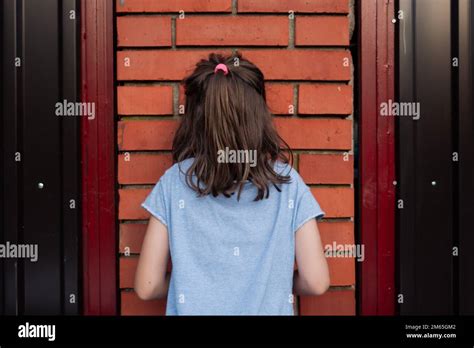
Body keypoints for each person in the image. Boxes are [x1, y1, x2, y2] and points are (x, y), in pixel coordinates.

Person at [134, 53, 330, 315]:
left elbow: (148, 286)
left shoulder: (175, 182)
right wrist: (277, 283)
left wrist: (192, 286)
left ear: (196, 120)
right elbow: (316, 282)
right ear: (258, 116)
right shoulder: (288, 184)